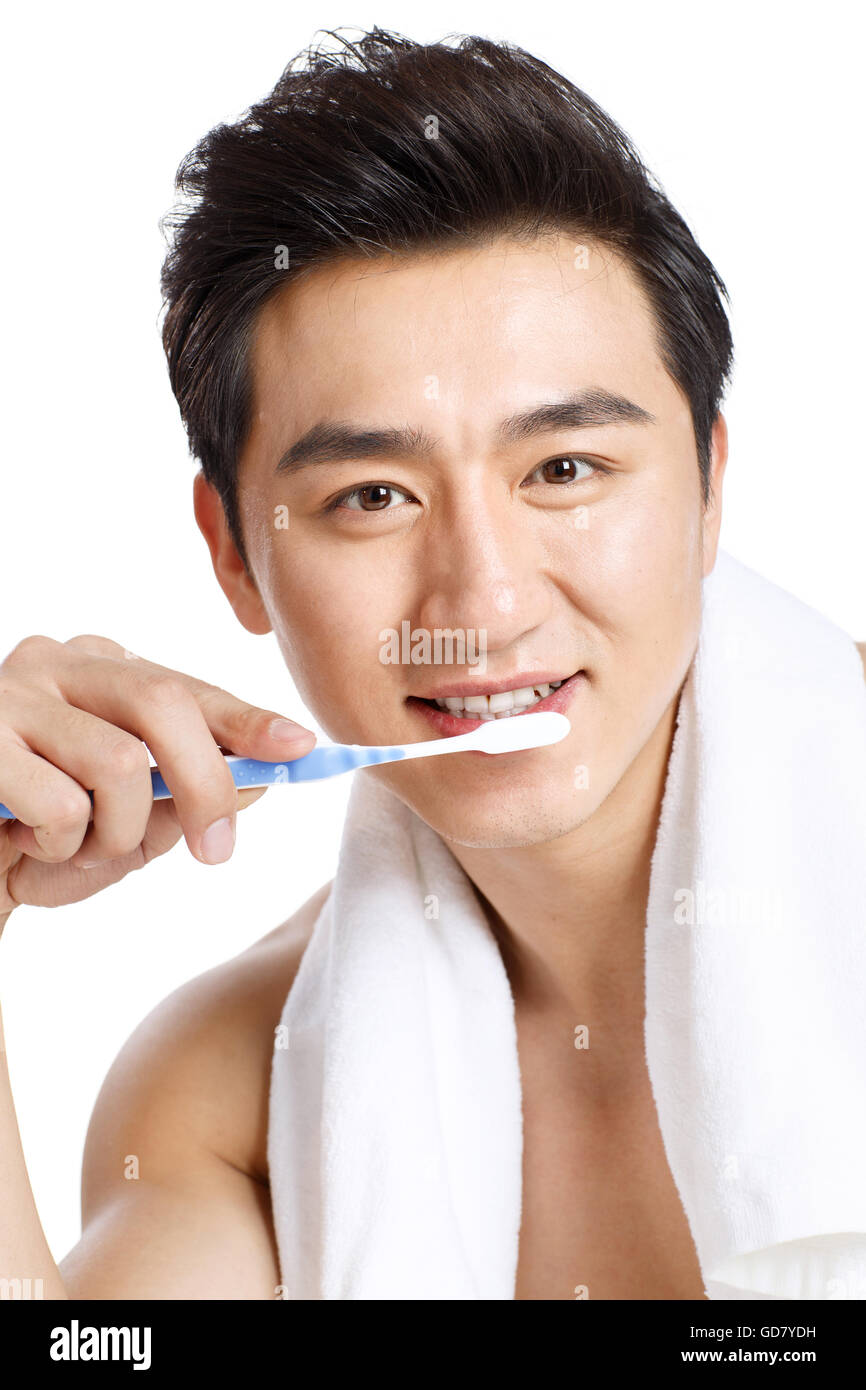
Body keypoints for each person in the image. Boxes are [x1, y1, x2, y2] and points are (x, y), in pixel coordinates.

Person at [1, 26, 863, 1301]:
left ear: (708, 491)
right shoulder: (231, 1091)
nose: (486, 601)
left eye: (563, 471)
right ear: (234, 553)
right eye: (370, 495)